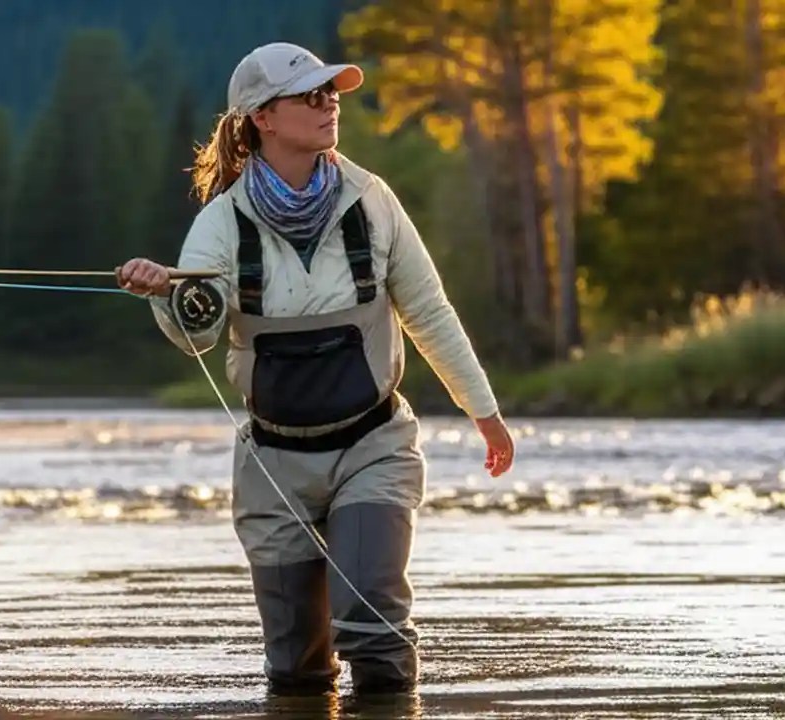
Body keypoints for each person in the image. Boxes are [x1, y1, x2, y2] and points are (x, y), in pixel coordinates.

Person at [115, 42, 514, 696]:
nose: (329, 103)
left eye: (331, 92)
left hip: (374, 447)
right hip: (273, 465)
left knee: (375, 631)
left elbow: (430, 313)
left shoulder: (373, 201)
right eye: (311, 95)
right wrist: (168, 293)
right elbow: (198, 339)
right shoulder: (219, 226)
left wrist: (487, 416)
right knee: (295, 669)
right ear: (262, 118)